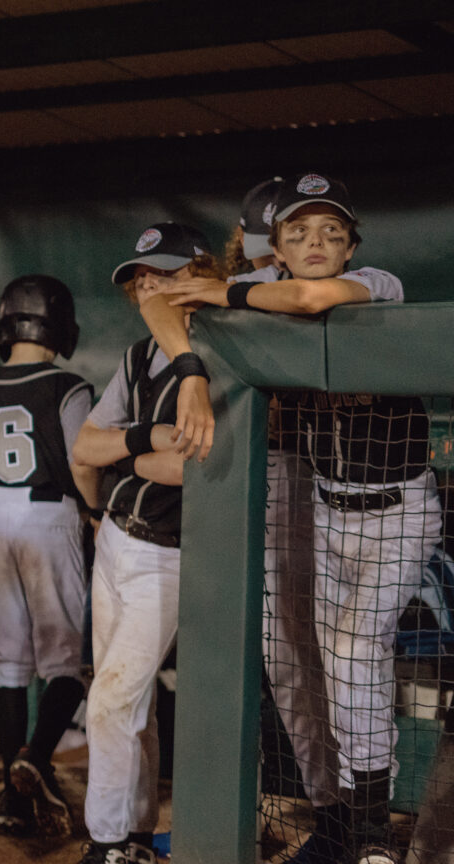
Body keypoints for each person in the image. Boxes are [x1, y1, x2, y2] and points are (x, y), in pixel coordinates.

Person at [156, 173, 435, 864]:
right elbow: (158, 303)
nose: (317, 243)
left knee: (351, 656)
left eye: (331, 233)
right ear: (273, 248)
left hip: (400, 509)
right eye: (300, 233)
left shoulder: (378, 281)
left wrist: (226, 292)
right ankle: (355, 827)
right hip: (328, 508)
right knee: (324, 664)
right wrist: (191, 369)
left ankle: (369, 834)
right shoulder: (265, 303)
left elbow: (314, 297)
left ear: (351, 247)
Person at [71, 222, 219, 864]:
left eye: (164, 270)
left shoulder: (220, 350)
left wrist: (127, 452)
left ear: (200, 274)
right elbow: (84, 446)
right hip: (116, 540)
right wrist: (143, 442)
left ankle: (104, 846)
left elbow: (192, 465)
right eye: (140, 276)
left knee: (111, 700)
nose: (149, 283)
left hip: (174, 551)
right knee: (127, 700)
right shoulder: (137, 358)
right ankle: (132, 835)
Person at [0, 275, 100, 839]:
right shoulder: (69, 386)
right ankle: (35, 759)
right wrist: (98, 514)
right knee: (68, 660)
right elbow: (84, 464)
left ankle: (12, 793)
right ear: (59, 323)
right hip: (48, 516)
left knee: (8, 659)